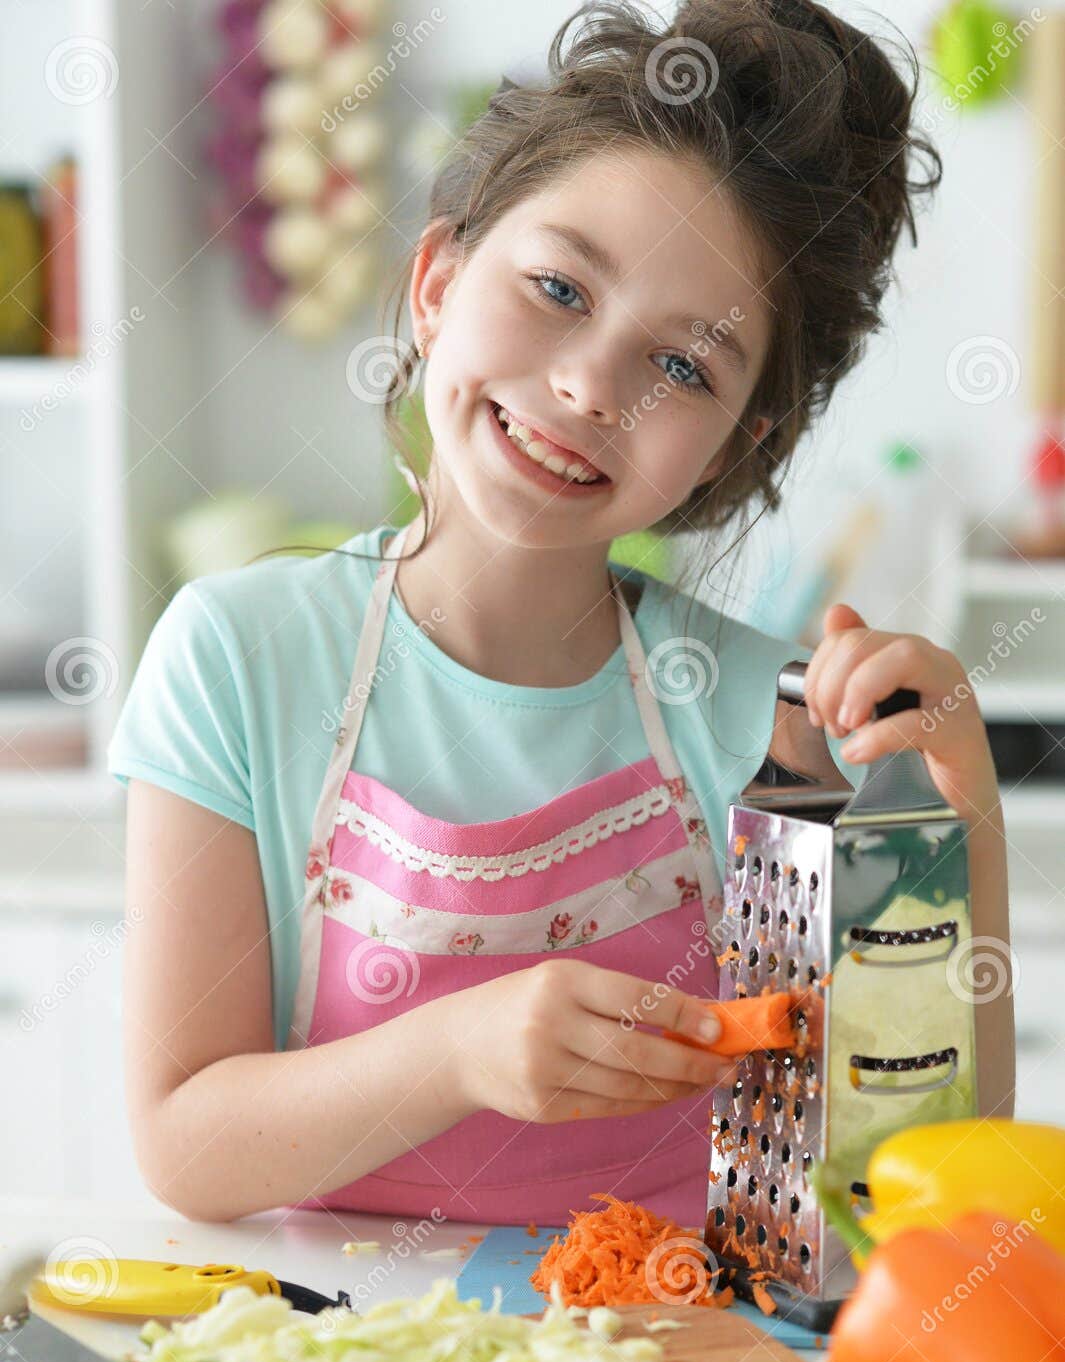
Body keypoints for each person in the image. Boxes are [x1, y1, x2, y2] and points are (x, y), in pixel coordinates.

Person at [107, 0, 1013, 1227]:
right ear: (435, 282)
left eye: (685, 366)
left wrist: (960, 823)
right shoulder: (236, 659)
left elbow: (917, 1170)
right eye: (556, 287)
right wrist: (455, 1053)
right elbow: (183, 1144)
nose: (592, 387)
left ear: (733, 447)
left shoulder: (784, 722)